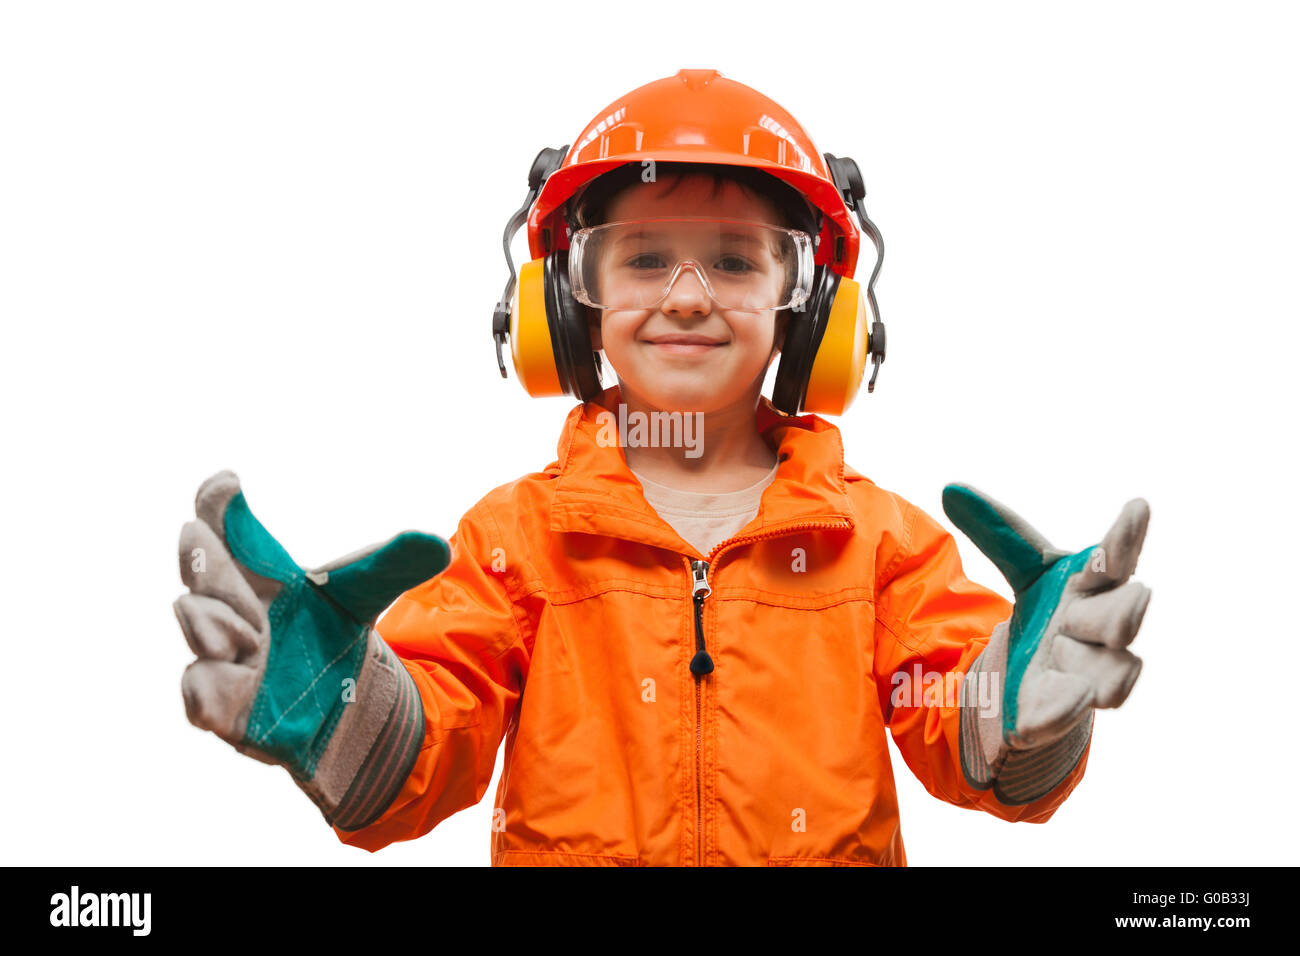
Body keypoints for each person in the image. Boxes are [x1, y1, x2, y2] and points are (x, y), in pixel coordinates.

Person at [173, 69, 1152, 866]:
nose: (687, 297)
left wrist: (1022, 708)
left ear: (812, 306)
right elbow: (424, 754)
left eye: (735, 262)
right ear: (570, 300)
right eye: (643, 259)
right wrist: (341, 703)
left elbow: (974, 741)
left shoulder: (878, 544)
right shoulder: (517, 540)